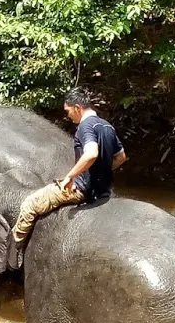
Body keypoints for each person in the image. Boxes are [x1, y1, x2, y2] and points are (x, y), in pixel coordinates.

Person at [10, 88, 125, 248]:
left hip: (82, 189)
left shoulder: (85, 126)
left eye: (68, 110)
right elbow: (121, 157)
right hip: (103, 190)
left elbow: (91, 153)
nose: (67, 115)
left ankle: (14, 252)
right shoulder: (107, 127)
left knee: (30, 204)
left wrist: (70, 176)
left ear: (77, 108)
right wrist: (102, 170)